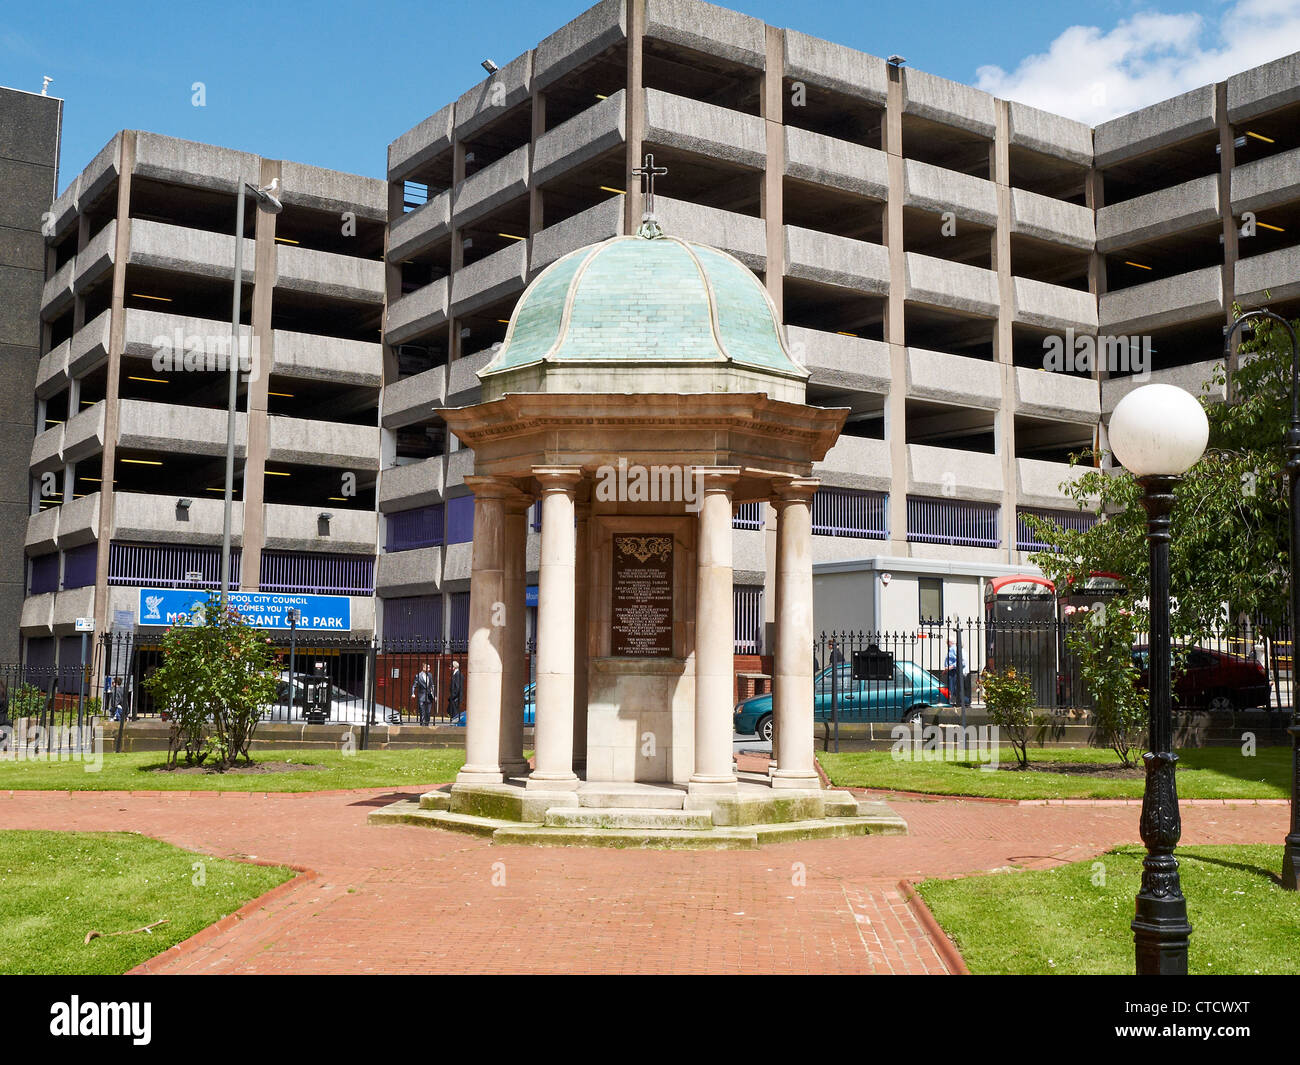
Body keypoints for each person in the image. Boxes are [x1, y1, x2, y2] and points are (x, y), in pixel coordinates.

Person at [944, 638, 966, 707]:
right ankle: (957, 702)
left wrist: (951, 667)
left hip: (953, 671)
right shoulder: (952, 649)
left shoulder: (953, 649)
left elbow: (961, 661)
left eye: (947, 642)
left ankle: (963, 702)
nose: (946, 644)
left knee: (953, 688)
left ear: (949, 642)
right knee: (953, 688)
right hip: (951, 671)